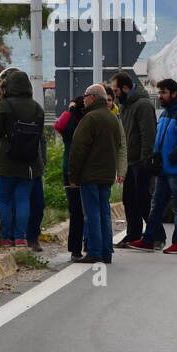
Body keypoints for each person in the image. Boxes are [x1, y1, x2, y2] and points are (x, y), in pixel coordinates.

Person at [127, 78, 177, 255]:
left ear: (174, 93)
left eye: (164, 93)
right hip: (164, 170)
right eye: (159, 93)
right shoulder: (165, 115)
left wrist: (173, 158)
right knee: (156, 204)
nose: (161, 96)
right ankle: (149, 239)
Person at [67, 84, 127, 264]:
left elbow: (79, 149)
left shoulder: (90, 118)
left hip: (90, 174)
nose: (83, 98)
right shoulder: (112, 118)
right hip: (107, 174)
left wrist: (73, 176)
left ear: (93, 98)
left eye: (85, 95)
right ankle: (106, 251)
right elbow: (118, 145)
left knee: (92, 214)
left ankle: (94, 251)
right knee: (104, 213)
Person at [0, 68, 45, 248]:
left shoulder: (5, 105)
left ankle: (6, 237)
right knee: (23, 200)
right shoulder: (37, 107)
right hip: (29, 162)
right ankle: (21, 238)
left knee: (4, 200)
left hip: (7, 161)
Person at [111, 71, 158, 249]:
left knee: (143, 200)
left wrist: (145, 161)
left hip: (140, 162)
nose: (115, 95)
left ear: (125, 88)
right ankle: (133, 235)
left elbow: (148, 135)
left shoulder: (143, 105)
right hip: (129, 162)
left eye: (116, 91)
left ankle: (156, 235)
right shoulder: (125, 106)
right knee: (129, 200)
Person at [54, 96, 88, 261]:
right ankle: (91, 244)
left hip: (70, 170)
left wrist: (71, 111)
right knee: (91, 210)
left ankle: (75, 249)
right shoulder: (89, 121)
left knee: (75, 211)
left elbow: (60, 126)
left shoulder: (72, 123)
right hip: (89, 170)